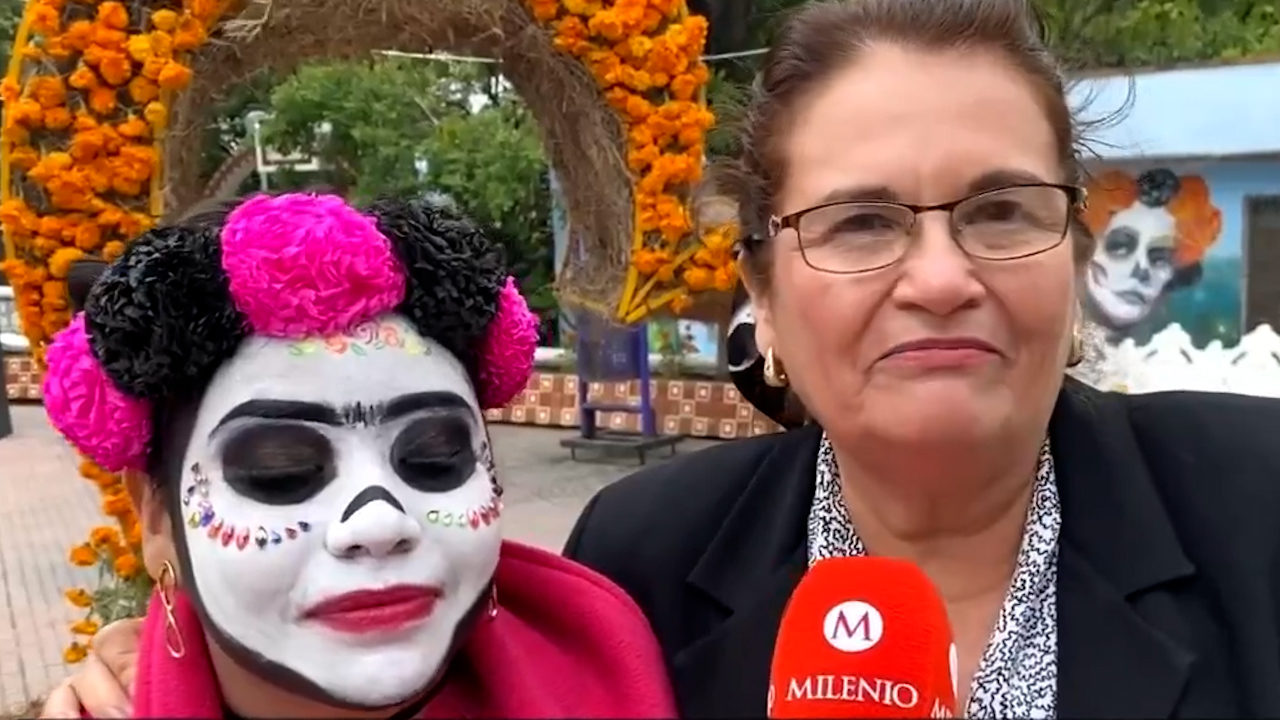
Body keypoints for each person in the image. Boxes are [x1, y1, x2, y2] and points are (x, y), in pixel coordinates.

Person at [40, 0, 1280, 717]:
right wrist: (159, 652)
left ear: (1068, 250)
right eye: (858, 223)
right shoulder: (639, 561)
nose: (941, 275)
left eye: (1001, 209)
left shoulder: (1255, 502)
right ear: (763, 293)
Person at [37, 192, 676, 718]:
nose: (378, 523)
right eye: (280, 470)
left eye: (434, 457)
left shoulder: (635, 668)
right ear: (155, 517)